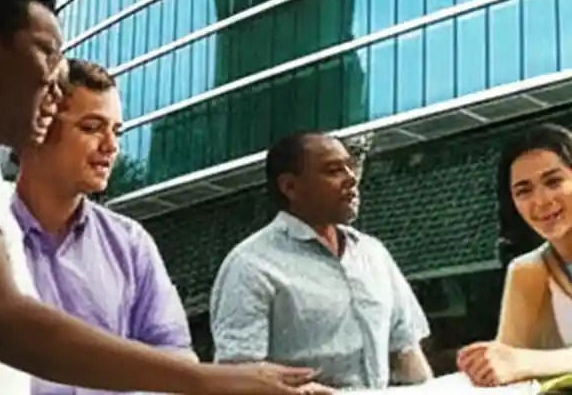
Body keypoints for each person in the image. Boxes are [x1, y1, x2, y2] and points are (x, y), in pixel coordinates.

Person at [0, 0, 323, 395]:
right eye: (47, 52)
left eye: (116, 131)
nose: (53, 80)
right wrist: (213, 381)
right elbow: (1, 320)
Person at [11, 58, 195, 395]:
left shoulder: (130, 243)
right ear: (39, 127)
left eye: (117, 131)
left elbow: (175, 358)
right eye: (92, 127)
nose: (111, 147)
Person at [209, 131, 433, 390]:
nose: (351, 179)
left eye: (351, 168)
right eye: (333, 170)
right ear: (290, 187)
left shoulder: (374, 255)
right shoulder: (250, 265)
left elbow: (406, 351)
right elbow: (238, 377)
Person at [457, 123, 572, 387]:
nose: (541, 201)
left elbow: (517, 363)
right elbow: (507, 375)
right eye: (523, 190)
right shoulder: (527, 271)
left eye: (553, 182)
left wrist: (525, 362)